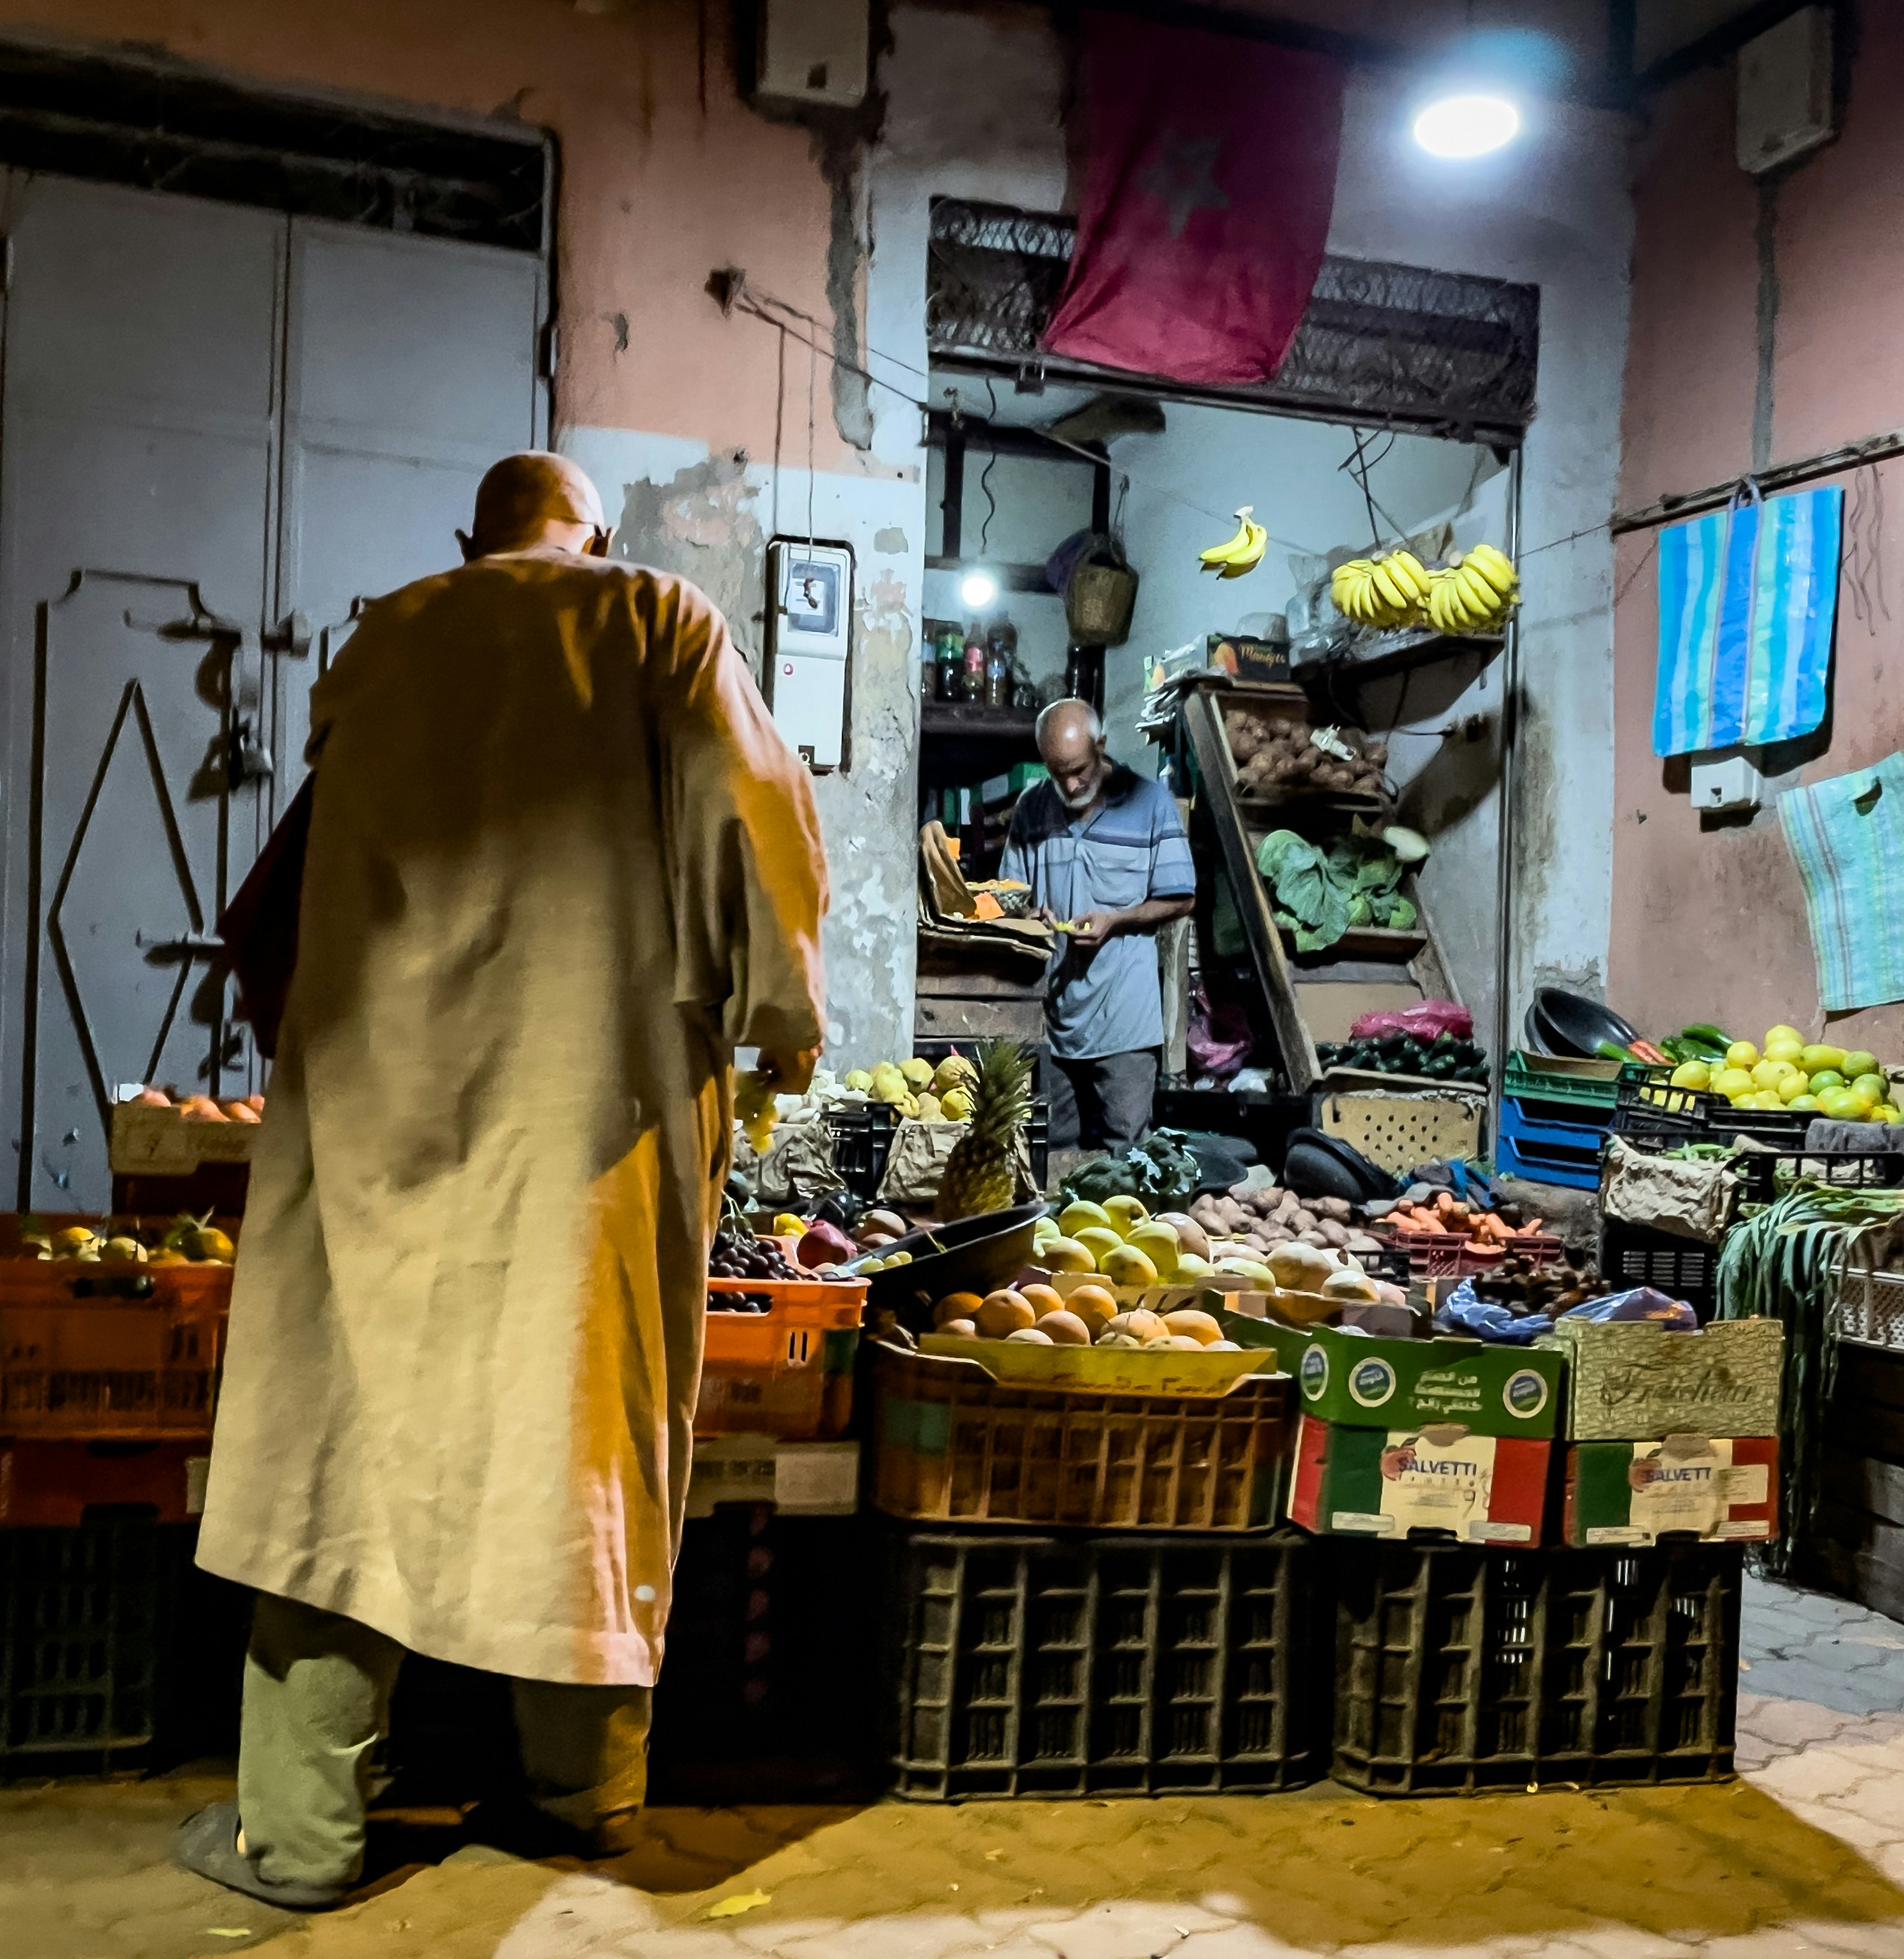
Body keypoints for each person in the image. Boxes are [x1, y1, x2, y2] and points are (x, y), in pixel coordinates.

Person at [175, 453, 827, 1910]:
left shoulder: (391, 634)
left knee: (337, 1460)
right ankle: (581, 1800)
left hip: (373, 1117)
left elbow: (301, 879)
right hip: (580, 1125)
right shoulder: (658, 622)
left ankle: (297, 1835)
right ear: (589, 534)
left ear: (470, 539)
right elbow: (757, 829)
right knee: (573, 1442)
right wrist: (782, 1027)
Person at [1000, 699, 1195, 1152]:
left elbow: (1182, 896)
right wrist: (1027, 918)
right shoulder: (1033, 807)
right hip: (1054, 1018)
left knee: (1126, 1150)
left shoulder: (1149, 802)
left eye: (1079, 770)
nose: (1069, 785)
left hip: (1124, 1019)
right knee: (1050, 1148)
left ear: (1101, 745)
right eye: (1057, 772)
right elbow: (1007, 897)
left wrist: (1117, 918)